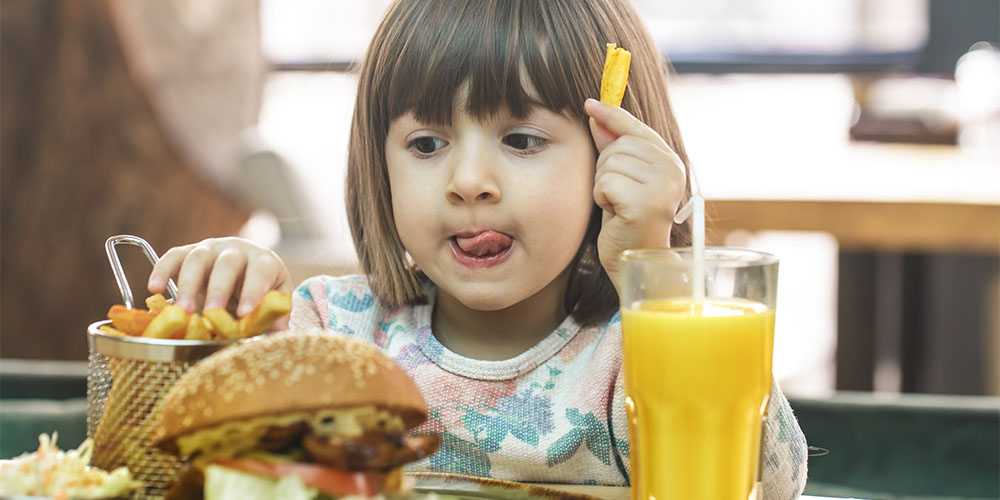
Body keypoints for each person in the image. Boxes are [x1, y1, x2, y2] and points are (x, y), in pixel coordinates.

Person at [147, 0, 808, 496]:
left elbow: (770, 482)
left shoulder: (630, 355)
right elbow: (173, 458)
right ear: (378, 169)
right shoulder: (328, 333)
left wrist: (653, 273)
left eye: (521, 141)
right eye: (426, 145)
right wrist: (225, 317)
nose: (467, 183)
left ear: (611, 162)